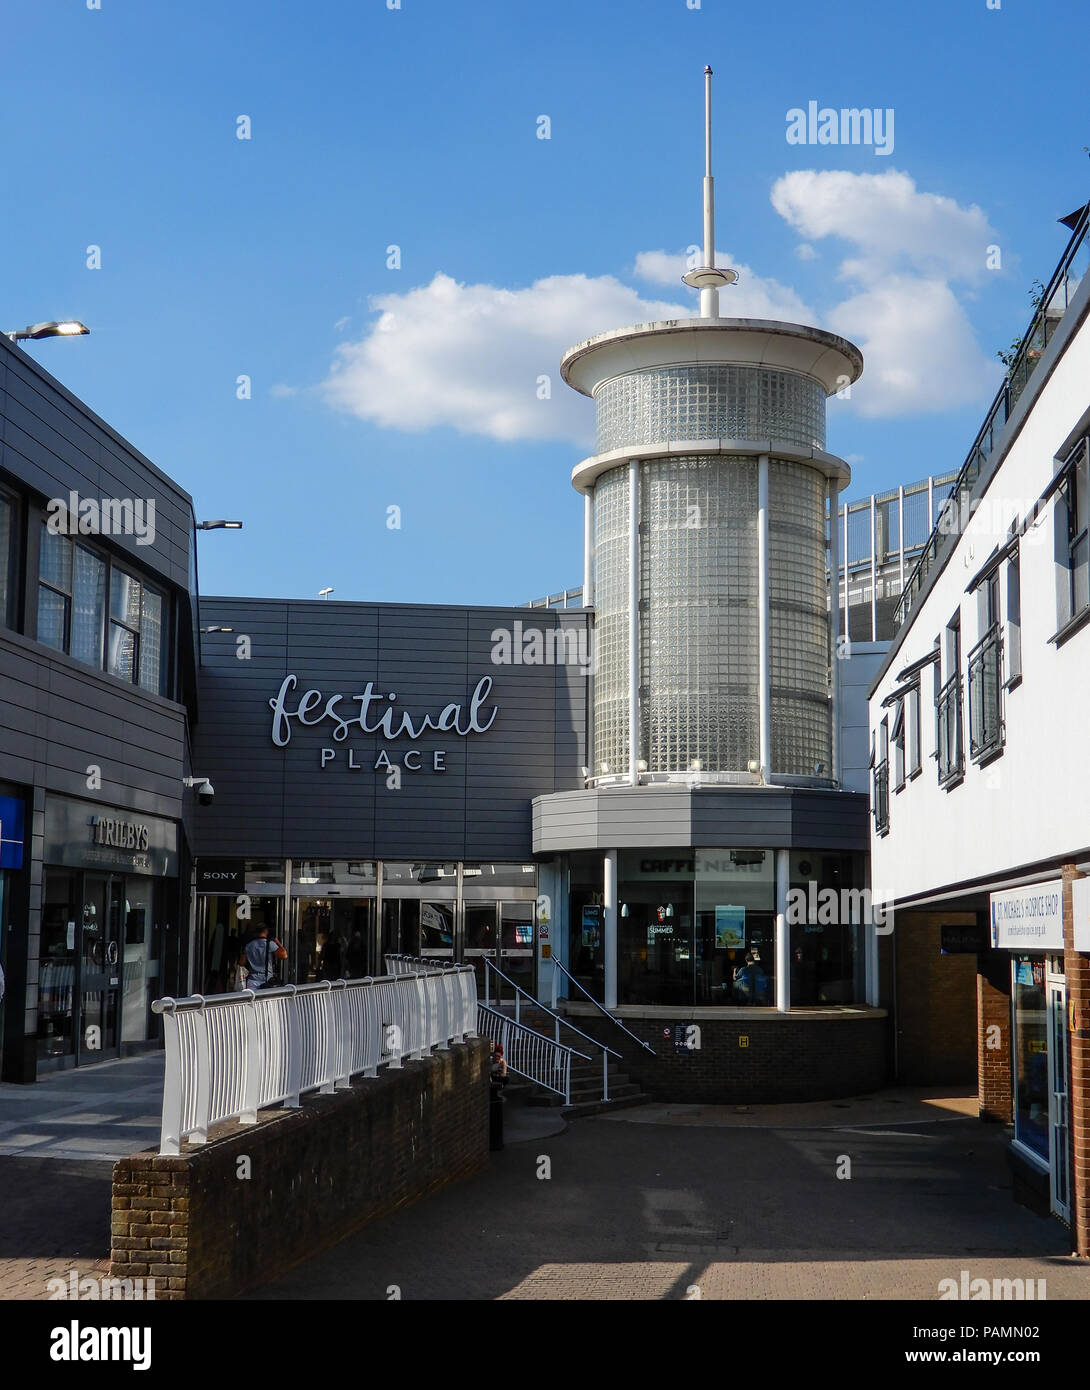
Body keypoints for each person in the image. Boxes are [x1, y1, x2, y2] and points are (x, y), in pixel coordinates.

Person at [240, 925, 288, 989]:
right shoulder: (270, 944)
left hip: (252, 980)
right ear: (266, 931)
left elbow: (242, 963)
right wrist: (277, 941)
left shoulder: (249, 945)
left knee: (253, 999)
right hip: (266, 980)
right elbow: (284, 956)